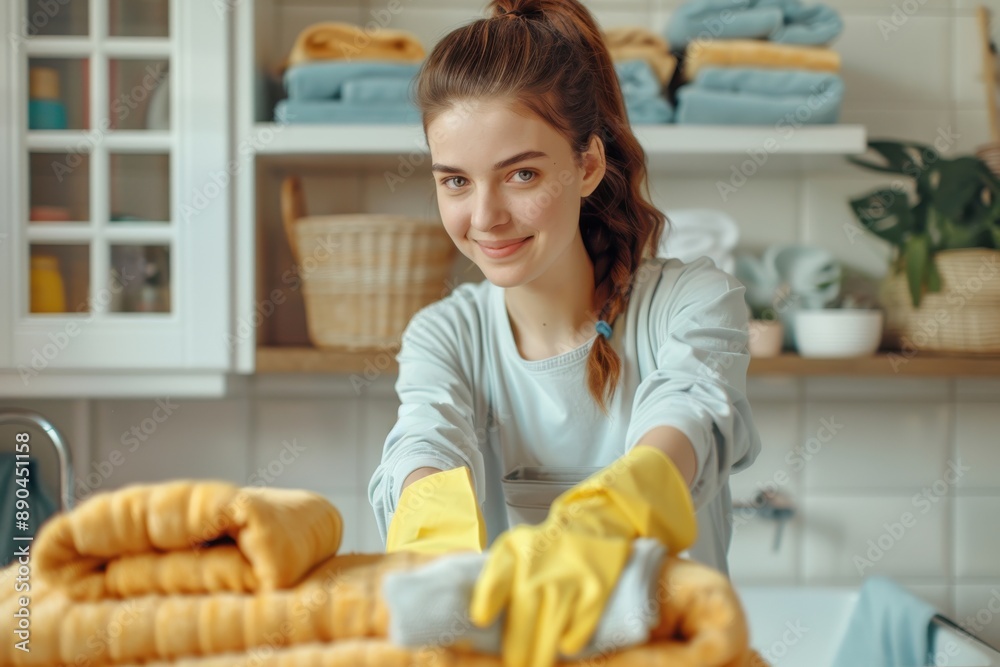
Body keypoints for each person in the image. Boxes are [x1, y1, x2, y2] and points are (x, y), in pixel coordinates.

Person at [368, 1, 762, 664]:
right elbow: (425, 443)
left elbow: (690, 418)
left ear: (586, 165)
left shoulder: (691, 303)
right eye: (456, 181)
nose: (486, 216)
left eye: (521, 173)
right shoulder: (446, 335)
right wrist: (431, 559)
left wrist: (600, 521)